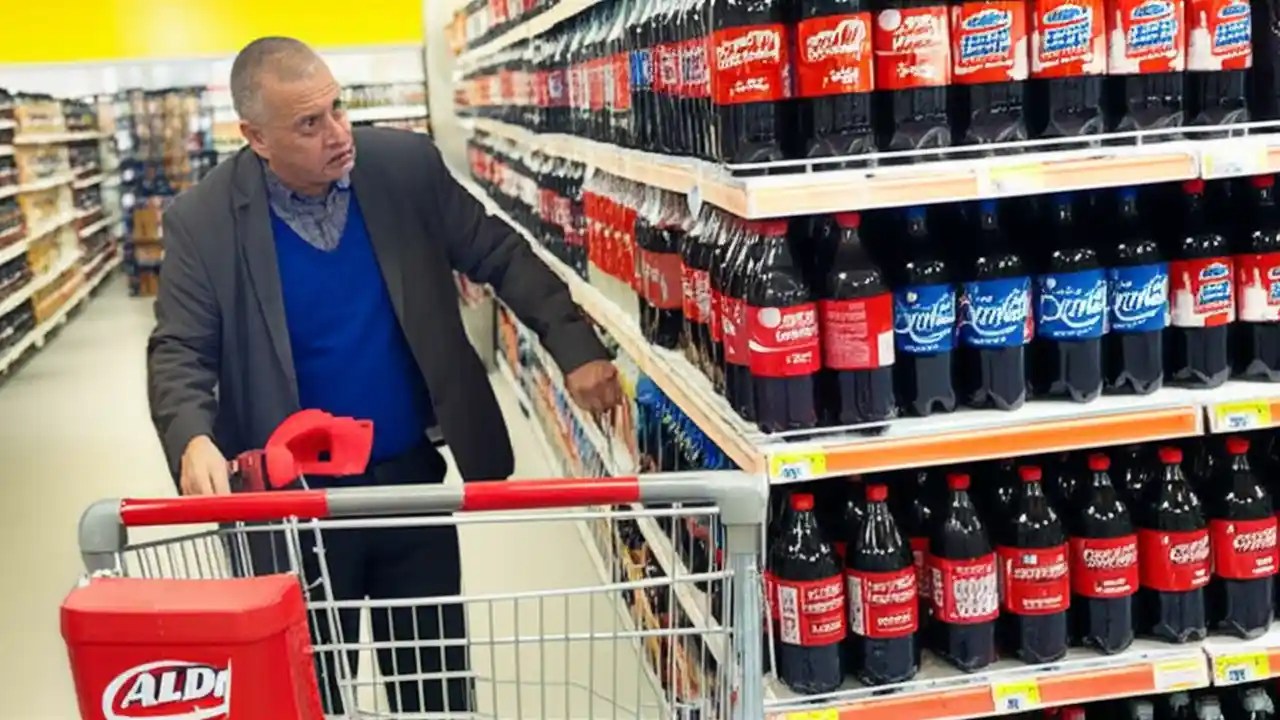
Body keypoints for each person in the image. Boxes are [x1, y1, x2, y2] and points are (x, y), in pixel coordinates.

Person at [145, 37, 622, 713]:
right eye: (309, 124)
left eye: (337, 109)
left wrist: (575, 346)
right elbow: (179, 348)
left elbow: (499, 252)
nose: (338, 133)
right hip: (290, 510)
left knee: (434, 691)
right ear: (256, 137)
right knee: (308, 696)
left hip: (409, 486)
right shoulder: (203, 222)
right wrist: (192, 437)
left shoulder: (404, 167)